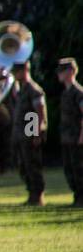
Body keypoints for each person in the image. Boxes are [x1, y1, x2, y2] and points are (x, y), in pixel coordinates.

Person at [11, 60, 47, 206]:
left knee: (32, 165)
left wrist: (36, 134)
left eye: (16, 72)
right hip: (22, 134)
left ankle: (37, 196)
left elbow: (39, 113)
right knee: (23, 165)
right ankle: (32, 194)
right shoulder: (22, 89)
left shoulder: (34, 90)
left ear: (24, 70)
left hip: (30, 134)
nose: (15, 75)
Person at [57, 58, 83, 206]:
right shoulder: (65, 93)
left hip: (76, 137)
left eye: (62, 71)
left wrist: (82, 135)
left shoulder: (78, 92)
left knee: (79, 169)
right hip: (67, 137)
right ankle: (77, 197)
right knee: (69, 169)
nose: (59, 74)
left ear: (71, 72)